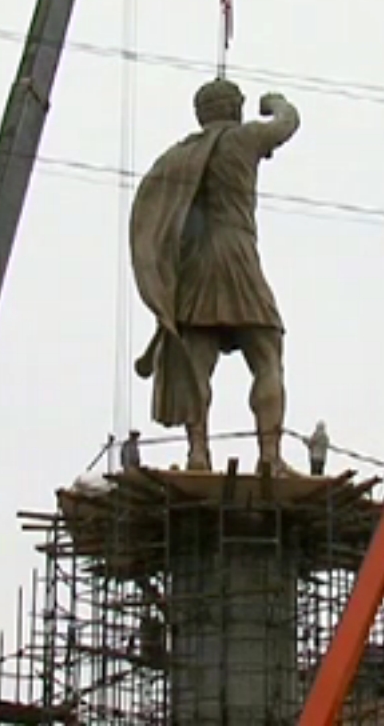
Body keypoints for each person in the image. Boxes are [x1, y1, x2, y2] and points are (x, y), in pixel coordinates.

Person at [129, 78, 300, 474]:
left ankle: (198, 453)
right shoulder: (243, 139)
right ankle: (270, 456)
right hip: (239, 258)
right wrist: (275, 101)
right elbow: (288, 122)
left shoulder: (178, 157)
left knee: (197, 367)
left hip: (197, 269)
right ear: (234, 108)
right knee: (267, 354)